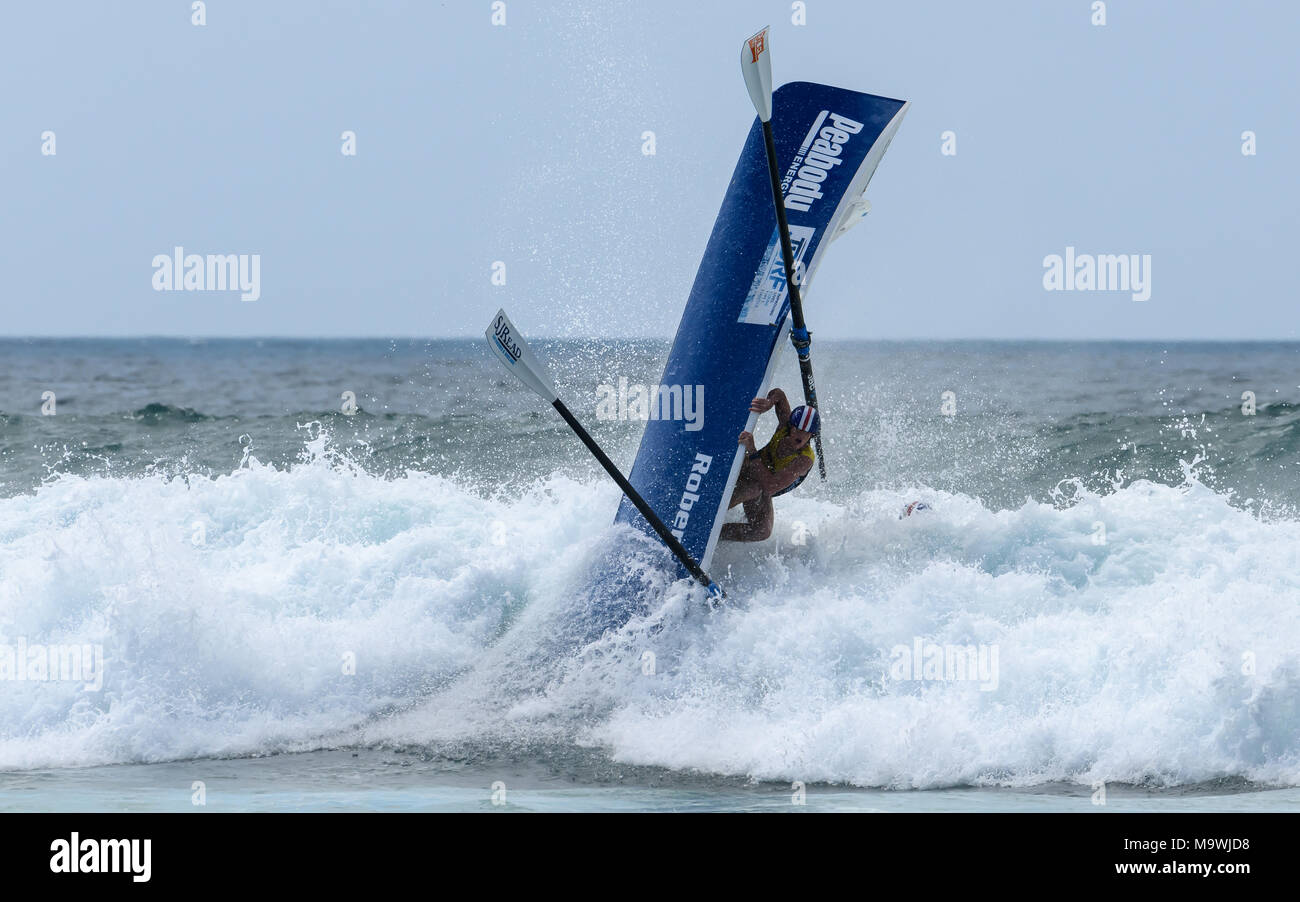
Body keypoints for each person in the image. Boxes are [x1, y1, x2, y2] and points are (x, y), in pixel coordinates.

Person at [720, 388, 818, 542]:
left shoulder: (804, 460)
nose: (798, 435)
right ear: (791, 426)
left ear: (811, 436)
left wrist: (752, 450)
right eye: (796, 429)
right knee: (754, 488)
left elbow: (770, 486)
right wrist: (769, 403)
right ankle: (713, 509)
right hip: (749, 466)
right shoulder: (785, 425)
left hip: (764, 483)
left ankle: (717, 533)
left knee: (762, 531)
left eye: (804, 434)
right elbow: (779, 394)